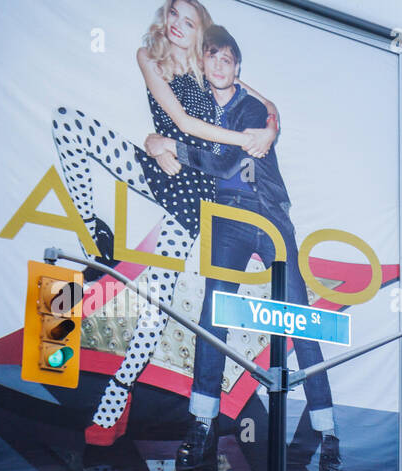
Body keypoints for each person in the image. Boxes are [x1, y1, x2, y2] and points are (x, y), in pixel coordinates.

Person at [49, 0, 279, 445]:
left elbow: (266, 104)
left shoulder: (209, 64)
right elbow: (182, 120)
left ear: (201, 32)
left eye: (188, 21)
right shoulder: (149, 56)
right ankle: (96, 232)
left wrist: (267, 131)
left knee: (158, 298)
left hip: (195, 190)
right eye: (173, 13)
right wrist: (238, 139)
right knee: (68, 123)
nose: (176, 24)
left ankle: (116, 397)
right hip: (162, 168)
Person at [150, 24, 342, 471]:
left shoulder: (253, 110)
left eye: (227, 59)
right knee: (213, 314)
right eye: (212, 57)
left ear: (238, 67)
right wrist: (158, 141)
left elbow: (220, 164)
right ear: (204, 63)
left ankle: (329, 432)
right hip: (227, 219)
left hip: (270, 216)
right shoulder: (195, 102)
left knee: (301, 322)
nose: (219, 65)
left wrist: (169, 144)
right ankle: (201, 425)